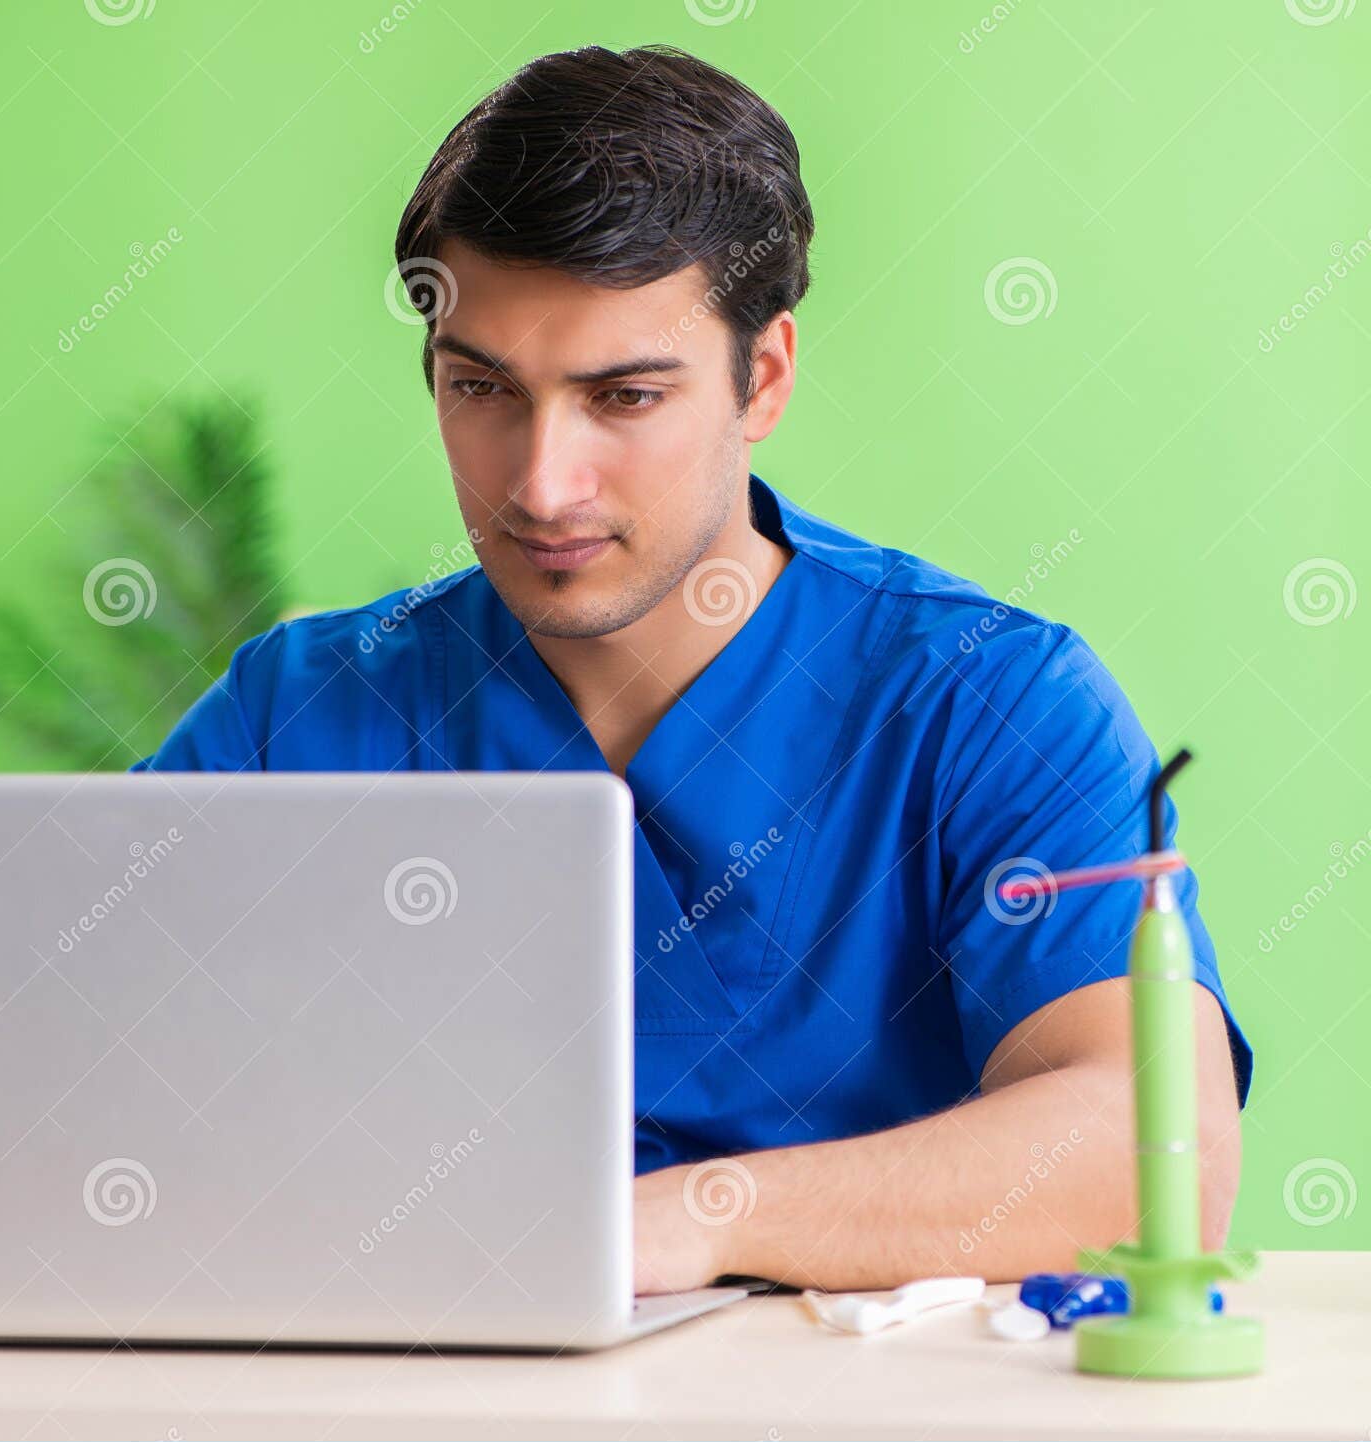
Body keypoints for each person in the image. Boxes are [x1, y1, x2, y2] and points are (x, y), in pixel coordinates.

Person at [132, 44, 1251, 1295]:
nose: (540, 483)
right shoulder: (303, 709)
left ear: (759, 376)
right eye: (481, 387)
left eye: (622, 395)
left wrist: (689, 1222)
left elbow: (1157, 1157)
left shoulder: (985, 703)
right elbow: (66, 1067)